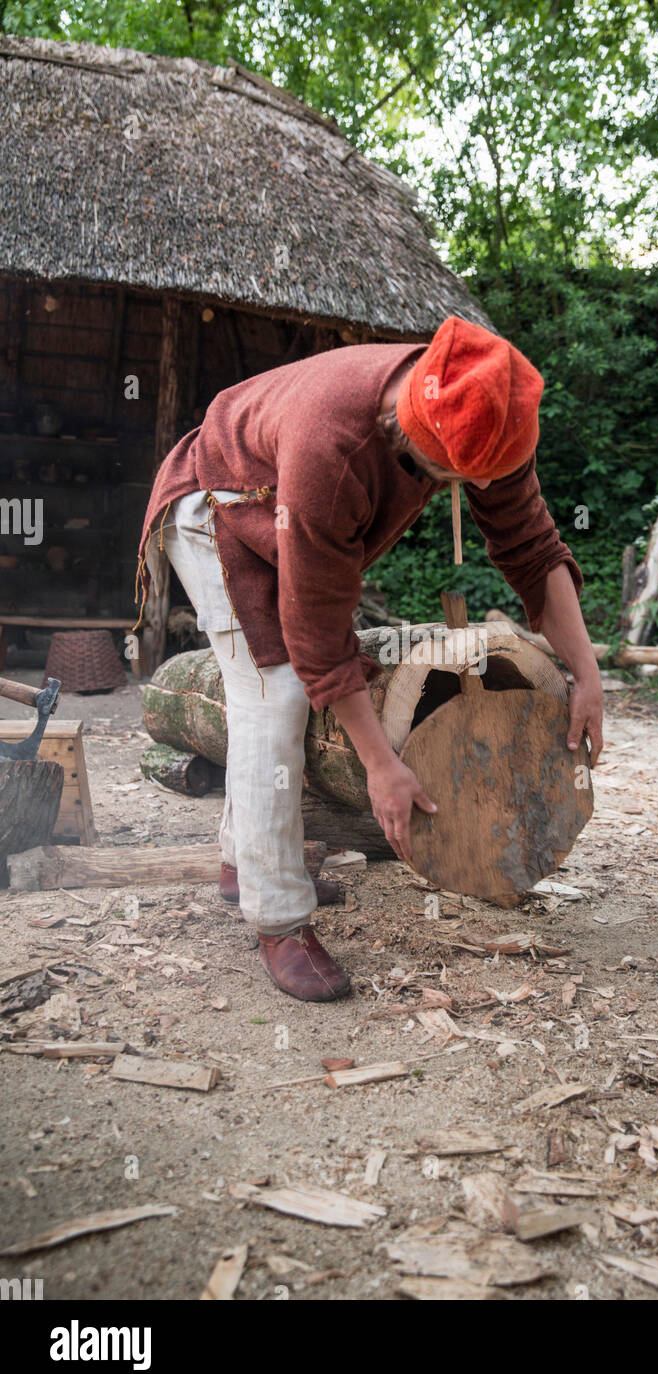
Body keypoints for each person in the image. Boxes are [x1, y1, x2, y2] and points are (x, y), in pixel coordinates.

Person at [137, 316, 603, 1002]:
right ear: (413, 418)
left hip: (286, 501)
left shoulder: (494, 412)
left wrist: (587, 676)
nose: (443, 486)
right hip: (220, 501)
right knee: (276, 692)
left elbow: (532, 548)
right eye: (436, 472)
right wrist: (383, 768)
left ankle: (248, 865)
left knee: (282, 689)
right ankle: (279, 919)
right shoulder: (332, 443)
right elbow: (317, 632)